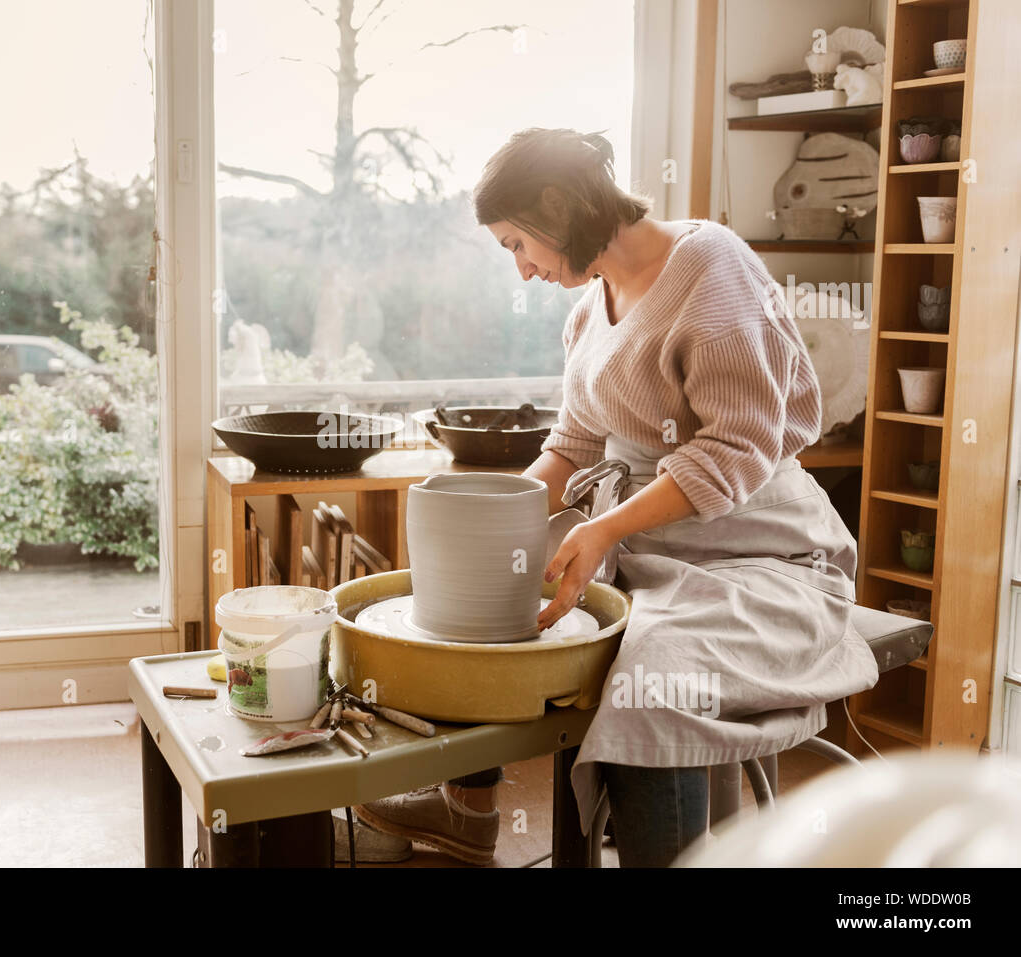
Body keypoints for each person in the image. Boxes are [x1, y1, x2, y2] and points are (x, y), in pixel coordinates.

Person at [352, 128, 879, 866]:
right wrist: (480, 523)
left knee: (650, 675)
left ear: (557, 204)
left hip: (760, 554)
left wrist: (604, 531)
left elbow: (738, 448)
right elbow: (574, 447)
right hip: (648, 548)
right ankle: (465, 809)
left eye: (516, 244)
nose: (523, 269)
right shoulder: (585, 309)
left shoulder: (710, 266)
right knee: (484, 596)